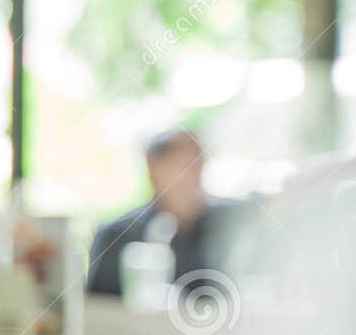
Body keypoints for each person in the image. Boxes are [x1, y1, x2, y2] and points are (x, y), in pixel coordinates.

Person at [86, 127, 241, 297]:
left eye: (199, 163)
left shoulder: (227, 232)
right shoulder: (114, 236)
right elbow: (95, 310)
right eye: (184, 164)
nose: (195, 173)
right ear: (153, 169)